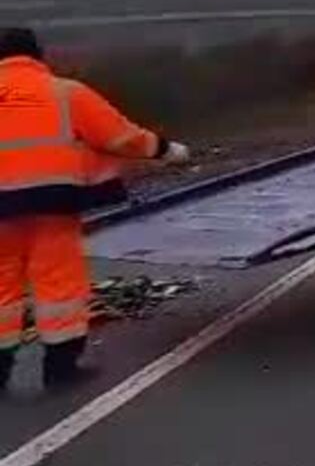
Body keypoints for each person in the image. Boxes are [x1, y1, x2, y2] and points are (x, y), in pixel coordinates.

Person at [1, 28, 190, 391]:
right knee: (58, 284)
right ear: (38, 56)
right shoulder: (66, 93)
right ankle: (60, 370)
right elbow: (120, 136)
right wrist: (168, 151)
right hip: (51, 203)